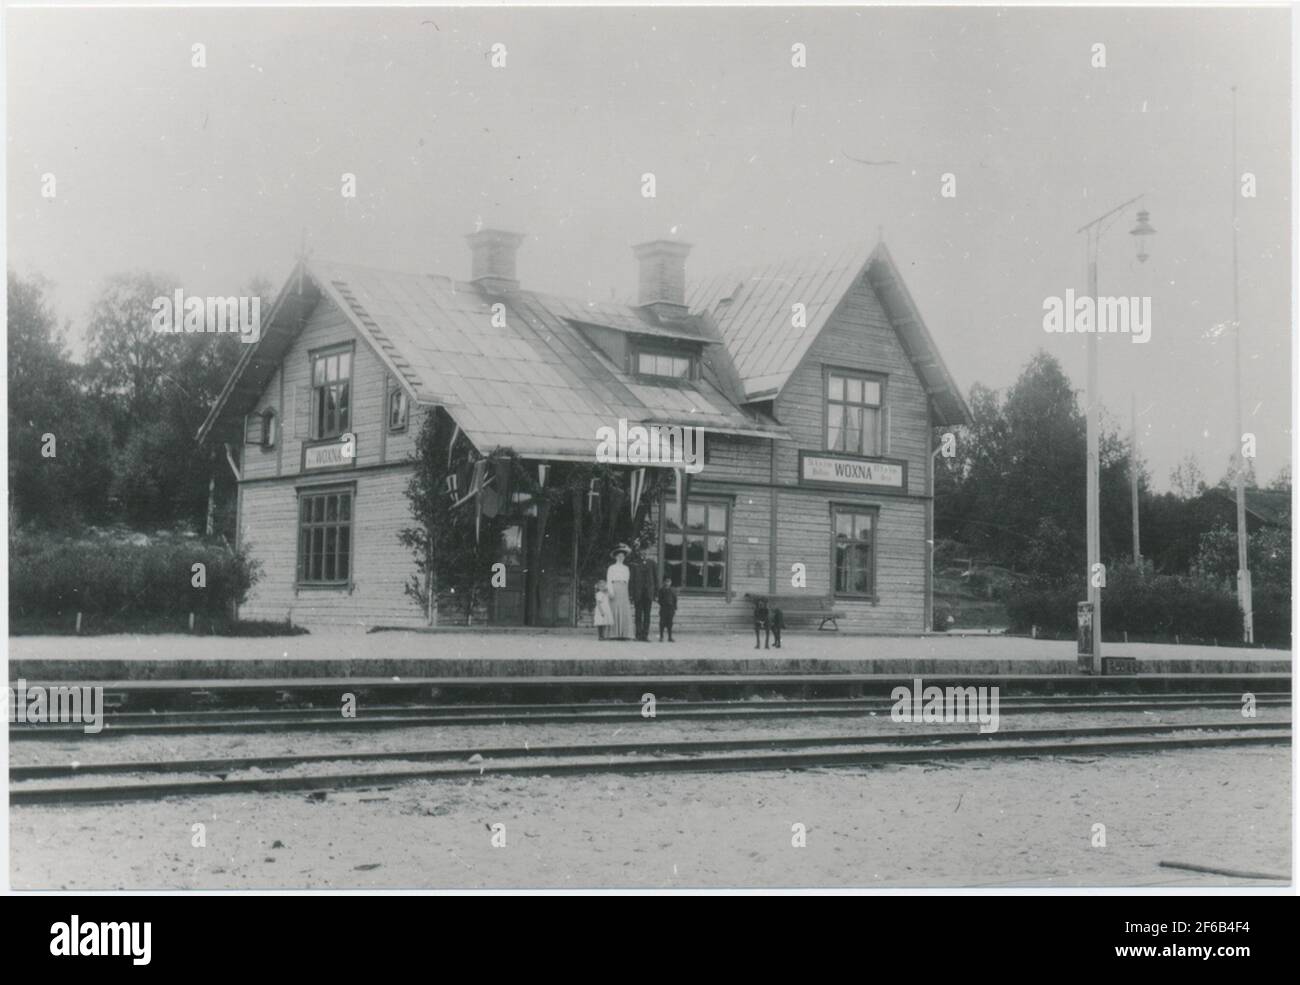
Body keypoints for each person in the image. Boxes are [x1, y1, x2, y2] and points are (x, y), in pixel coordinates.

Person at [628, 546, 658, 642]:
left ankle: (645, 635)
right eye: (642, 552)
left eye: (646, 552)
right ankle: (638, 635)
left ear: (648, 553)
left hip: (648, 593)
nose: (644, 554)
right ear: (640, 553)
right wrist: (631, 594)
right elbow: (631, 580)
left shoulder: (652, 563)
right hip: (638, 593)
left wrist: (655, 593)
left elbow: (655, 578)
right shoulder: (635, 563)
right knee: (638, 615)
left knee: (647, 615)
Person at [605, 545, 634, 641]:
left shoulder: (626, 568)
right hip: (614, 588)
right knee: (614, 609)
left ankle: (623, 634)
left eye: (623, 556)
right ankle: (613, 634)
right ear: (616, 557)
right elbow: (609, 580)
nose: (621, 558)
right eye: (619, 556)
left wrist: (627, 592)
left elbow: (627, 581)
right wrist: (610, 591)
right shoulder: (611, 568)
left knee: (623, 610)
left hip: (623, 589)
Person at [656, 576, 678, 642]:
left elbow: (675, 599)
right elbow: (659, 599)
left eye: (669, 581)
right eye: (666, 581)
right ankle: (661, 637)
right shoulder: (661, 590)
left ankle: (670, 637)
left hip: (671, 609)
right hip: (663, 609)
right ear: (664, 582)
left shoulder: (673, 590)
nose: (668, 583)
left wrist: (674, 607)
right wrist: (662, 604)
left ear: (671, 582)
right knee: (662, 623)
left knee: (670, 623)